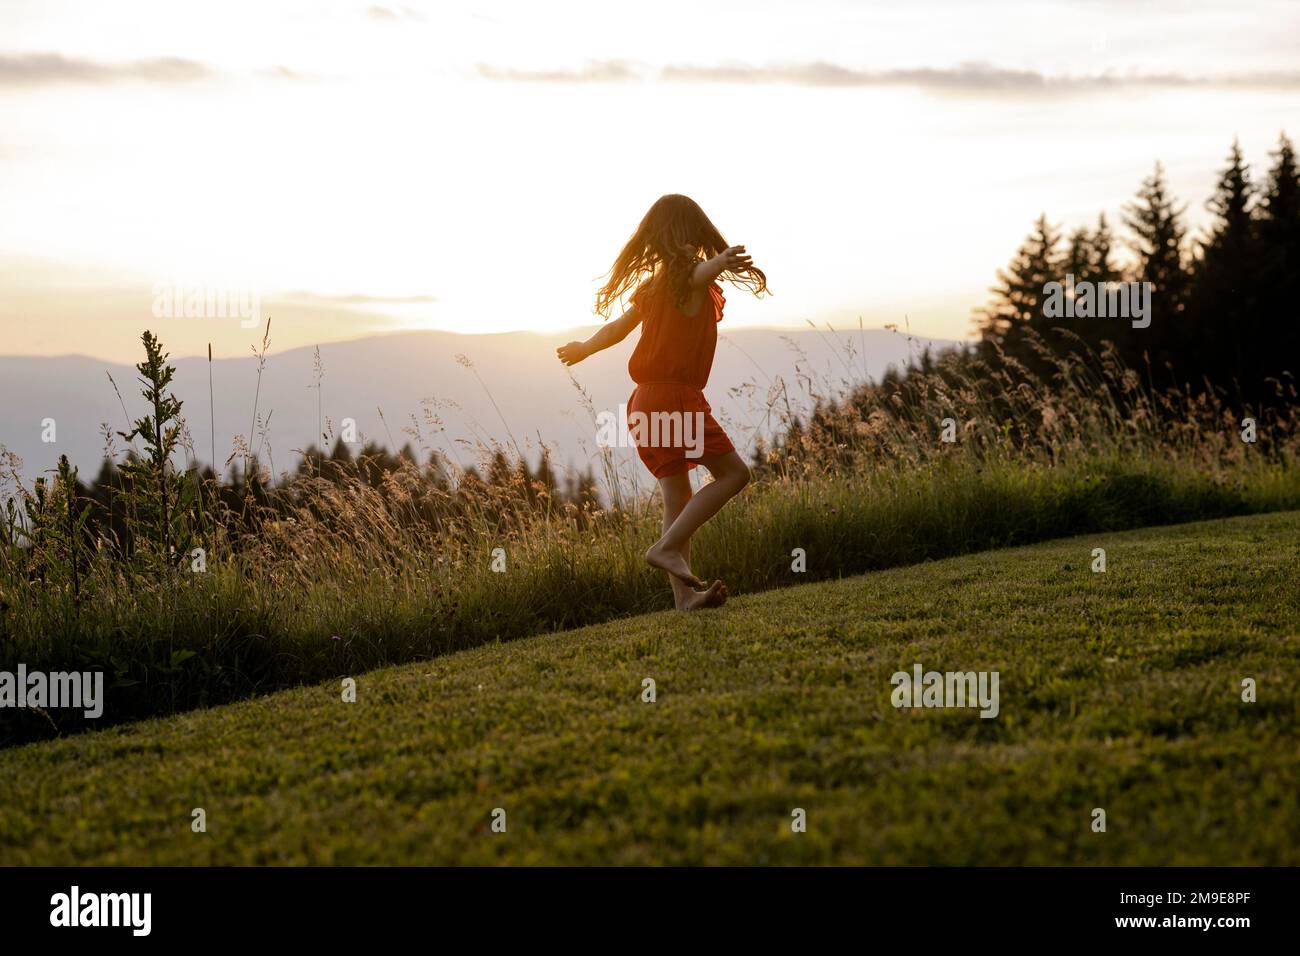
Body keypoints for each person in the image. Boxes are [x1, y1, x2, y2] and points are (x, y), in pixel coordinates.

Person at [557, 194, 769, 609]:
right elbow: (699, 274)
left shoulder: (655, 287)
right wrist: (719, 262)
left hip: (643, 403)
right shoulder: (691, 277)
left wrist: (583, 348)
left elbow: (617, 331)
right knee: (734, 474)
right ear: (692, 233)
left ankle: (684, 598)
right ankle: (666, 547)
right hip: (675, 398)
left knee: (677, 496)